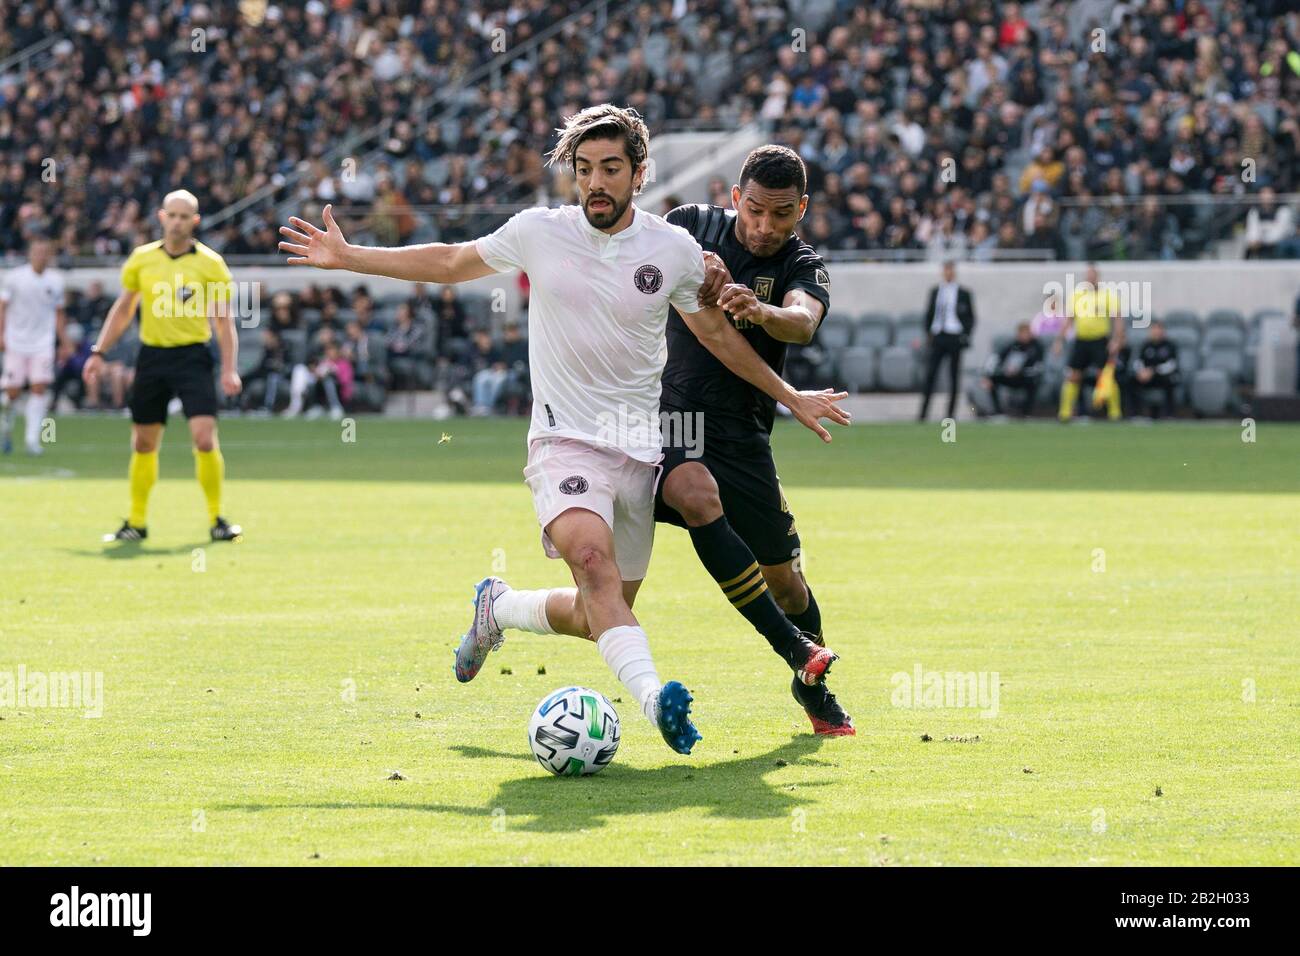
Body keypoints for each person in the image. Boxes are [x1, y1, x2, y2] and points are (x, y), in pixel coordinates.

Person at [279, 104, 848, 755]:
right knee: (592, 564)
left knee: (592, 611)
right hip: (563, 439)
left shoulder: (672, 249)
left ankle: (500, 608)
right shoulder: (538, 231)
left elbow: (718, 334)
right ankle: (657, 698)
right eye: (584, 170)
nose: (596, 182)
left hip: (642, 452)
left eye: (611, 168)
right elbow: (449, 261)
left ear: (639, 174)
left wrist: (787, 393)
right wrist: (350, 255)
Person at [654, 145, 853, 736]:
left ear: (802, 209)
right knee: (687, 502)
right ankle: (793, 652)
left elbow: (804, 319)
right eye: (757, 210)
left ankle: (811, 682)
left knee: (787, 581)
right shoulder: (690, 226)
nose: (766, 227)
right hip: (668, 419)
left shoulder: (802, 263)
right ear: (735, 197)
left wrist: (763, 312)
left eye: (783, 214)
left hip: (741, 431)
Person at [82, 189, 243, 542]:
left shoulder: (211, 263)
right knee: (143, 443)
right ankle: (136, 523)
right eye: (172, 215)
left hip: (193, 357)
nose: (177, 221)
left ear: (195, 221)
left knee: (203, 439)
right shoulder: (141, 259)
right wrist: (99, 351)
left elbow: (222, 321)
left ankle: (217, 519)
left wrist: (230, 368)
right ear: (161, 217)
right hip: (152, 357)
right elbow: (124, 309)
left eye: (185, 216)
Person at [0, 235, 66, 456]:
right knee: (12, 392)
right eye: (37, 252)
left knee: (39, 388)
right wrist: (1, 334)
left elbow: (58, 314)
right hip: (16, 342)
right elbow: (2, 307)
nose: (41, 256)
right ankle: (6, 430)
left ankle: (32, 441)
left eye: (45, 252)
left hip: (42, 344)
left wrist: (64, 342)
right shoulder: (15, 277)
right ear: (30, 253)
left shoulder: (55, 280)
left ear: (49, 255)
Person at [1055, 262, 1123, 422]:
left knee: (1105, 376)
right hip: (1082, 340)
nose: (1090, 277)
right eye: (1088, 275)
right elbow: (1068, 320)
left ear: (1097, 277)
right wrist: (1059, 340)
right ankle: (1064, 413)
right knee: (1073, 376)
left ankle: (1115, 413)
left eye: (1093, 274)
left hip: (1100, 340)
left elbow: (1118, 319)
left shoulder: (1108, 295)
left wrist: (1116, 340)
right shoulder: (1077, 295)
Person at [919, 259, 976, 421]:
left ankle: (950, 414)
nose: (948, 273)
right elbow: (929, 314)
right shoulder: (935, 291)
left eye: (951, 270)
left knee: (953, 376)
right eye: (946, 270)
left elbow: (971, 317)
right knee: (931, 375)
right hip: (939, 335)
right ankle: (923, 414)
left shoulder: (964, 293)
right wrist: (929, 333)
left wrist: (965, 334)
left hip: (954, 335)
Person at [979, 322, 1043, 415]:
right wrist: (988, 375)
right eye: (1022, 333)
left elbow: (1037, 365)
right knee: (991, 380)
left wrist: (1020, 370)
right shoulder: (1013, 345)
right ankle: (998, 413)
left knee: (1034, 383)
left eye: (1027, 333)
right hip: (1009, 375)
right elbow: (997, 359)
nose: (1024, 336)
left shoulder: (1036, 346)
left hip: (1025, 377)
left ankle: (1026, 414)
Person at [1133, 321, 1180, 418]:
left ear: (1163, 331)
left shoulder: (1169, 345)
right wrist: (1141, 372)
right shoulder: (1145, 345)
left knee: (1170, 381)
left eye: (1158, 329)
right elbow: (1138, 362)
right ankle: (1136, 414)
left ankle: (1169, 415)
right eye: (1153, 329)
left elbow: (1171, 364)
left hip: (1162, 375)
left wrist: (1153, 371)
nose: (1156, 332)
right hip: (1147, 376)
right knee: (1132, 381)